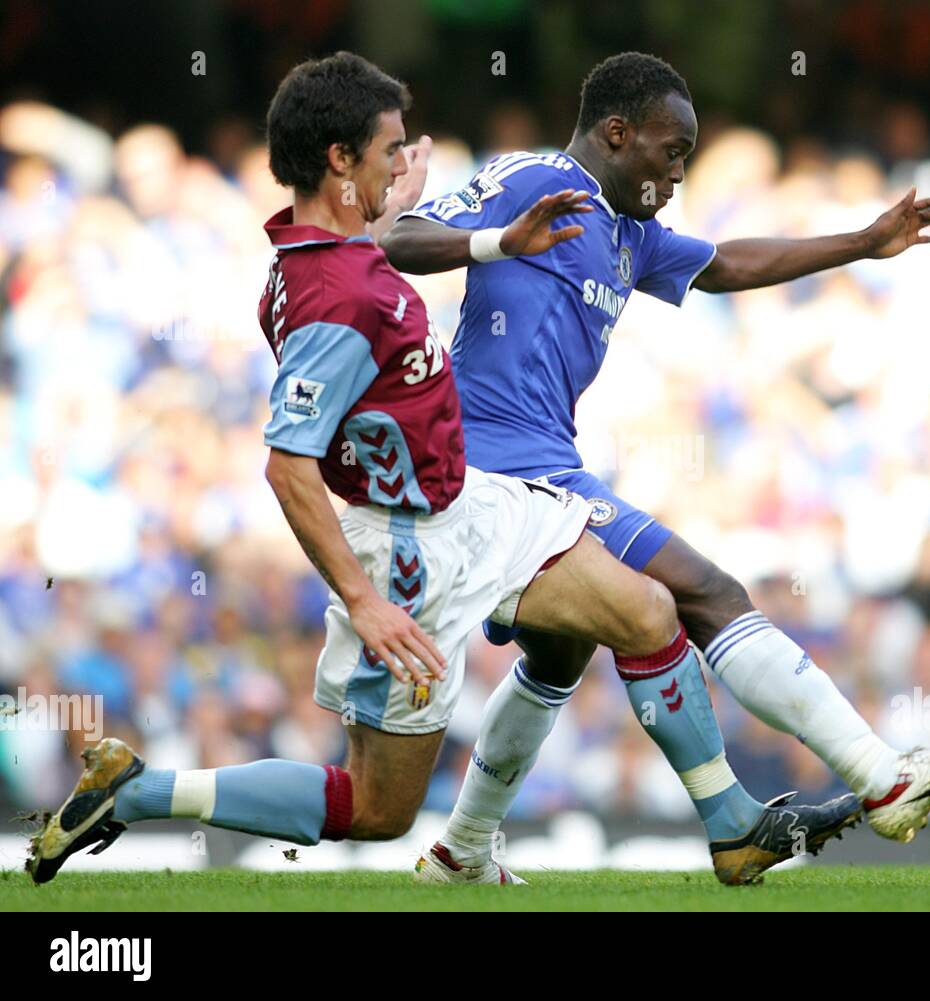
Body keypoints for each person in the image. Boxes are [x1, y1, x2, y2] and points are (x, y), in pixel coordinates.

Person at [26, 52, 861, 889]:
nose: (409, 165)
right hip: (408, 548)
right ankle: (142, 792)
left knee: (648, 611)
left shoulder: (337, 258)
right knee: (377, 807)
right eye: (392, 150)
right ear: (340, 162)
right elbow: (287, 468)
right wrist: (362, 597)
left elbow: (382, 244)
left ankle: (732, 825)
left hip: (476, 503)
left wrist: (414, 204)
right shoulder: (336, 294)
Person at [382, 51, 930, 878]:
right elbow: (400, 238)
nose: (676, 174)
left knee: (557, 656)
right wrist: (495, 242)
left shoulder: (630, 233)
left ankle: (460, 849)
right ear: (616, 131)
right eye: (671, 152)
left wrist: (860, 242)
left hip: (540, 464)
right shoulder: (536, 179)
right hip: (496, 463)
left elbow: (723, 265)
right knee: (706, 592)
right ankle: (879, 778)